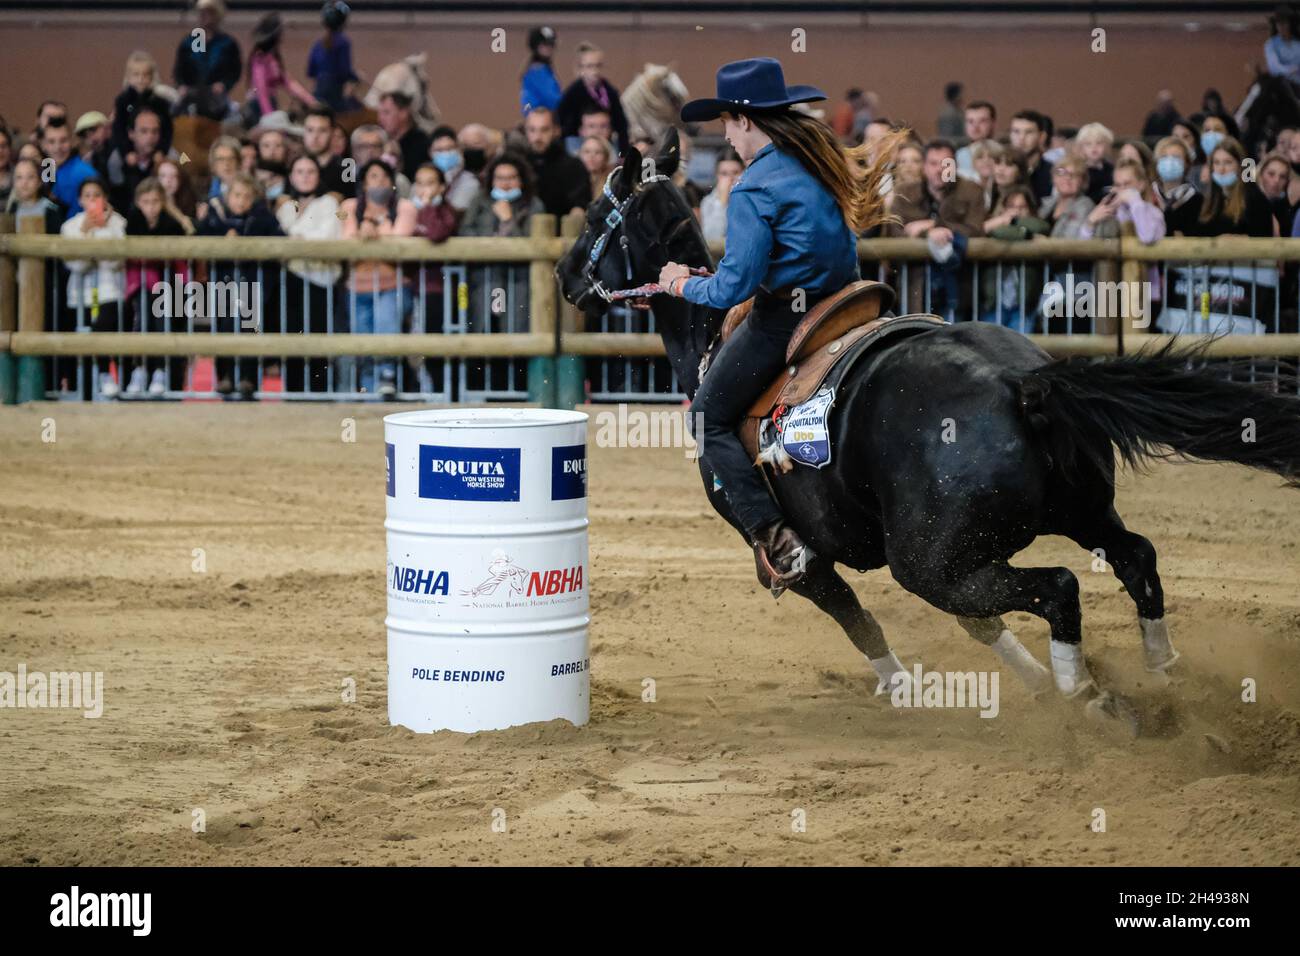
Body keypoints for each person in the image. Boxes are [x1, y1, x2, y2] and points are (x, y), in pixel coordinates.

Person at [657, 57, 903, 591]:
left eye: (726, 122)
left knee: (704, 419)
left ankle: (776, 535)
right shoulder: (819, 164)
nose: (726, 134)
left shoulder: (752, 187)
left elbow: (732, 289)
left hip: (786, 317)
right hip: (848, 301)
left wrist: (679, 284)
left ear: (745, 121)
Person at [197, 173, 284, 397]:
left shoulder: (263, 217)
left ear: (254, 198)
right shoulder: (215, 217)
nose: (241, 201)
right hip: (224, 283)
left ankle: (248, 379)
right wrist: (222, 242)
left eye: (247, 196)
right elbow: (199, 239)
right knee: (224, 329)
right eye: (237, 195)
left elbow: (279, 240)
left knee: (250, 330)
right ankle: (224, 376)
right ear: (228, 196)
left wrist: (248, 244)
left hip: (253, 285)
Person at [340, 159, 417, 397]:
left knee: (387, 327)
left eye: (384, 177)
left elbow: (400, 241)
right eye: (373, 176)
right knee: (362, 336)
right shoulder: (350, 206)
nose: (379, 182)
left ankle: (387, 377)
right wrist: (372, 233)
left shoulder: (405, 207)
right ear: (363, 183)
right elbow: (347, 241)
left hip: (392, 284)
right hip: (356, 286)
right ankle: (367, 386)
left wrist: (370, 231)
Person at [889, 138, 986, 314]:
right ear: (924, 167)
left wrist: (935, 225)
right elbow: (894, 232)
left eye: (946, 163)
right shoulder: (904, 193)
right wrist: (930, 233)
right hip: (916, 283)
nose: (940, 169)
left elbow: (976, 229)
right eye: (933, 163)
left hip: (960, 282)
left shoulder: (971, 191)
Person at [276, 155, 343, 393]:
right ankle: (292, 392)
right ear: (292, 176)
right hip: (291, 282)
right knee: (292, 338)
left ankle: (319, 392)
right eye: (299, 171)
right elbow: (276, 242)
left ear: (318, 175)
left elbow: (328, 238)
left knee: (318, 339)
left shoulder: (328, 203)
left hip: (320, 283)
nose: (305, 176)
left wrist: (296, 243)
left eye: (310, 171)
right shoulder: (286, 207)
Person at [459, 153, 545, 334]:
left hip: (519, 280)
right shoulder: (480, 201)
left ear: (522, 180)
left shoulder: (533, 205)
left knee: (514, 330)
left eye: (512, 178)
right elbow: (465, 231)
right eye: (500, 178)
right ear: (491, 180)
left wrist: (508, 220)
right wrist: (488, 243)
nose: (505, 183)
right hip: (484, 278)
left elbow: (532, 244)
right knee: (484, 329)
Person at [59, 178, 128, 399]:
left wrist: (102, 231)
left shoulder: (118, 223)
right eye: (87, 195)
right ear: (80, 200)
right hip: (80, 294)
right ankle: (85, 391)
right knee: (82, 340)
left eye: (97, 195)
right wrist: (86, 233)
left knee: (105, 329)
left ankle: (105, 374)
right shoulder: (69, 226)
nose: (92, 200)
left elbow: (114, 261)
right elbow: (75, 265)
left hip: (111, 290)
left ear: (105, 198)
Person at [124, 177, 190, 396]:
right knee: (142, 321)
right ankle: (139, 368)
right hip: (140, 283)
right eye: (146, 202)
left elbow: (176, 255)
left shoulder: (173, 224)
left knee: (162, 322)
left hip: (166, 284)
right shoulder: (131, 222)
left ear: (163, 202)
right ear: (137, 202)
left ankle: (161, 370)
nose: (151, 207)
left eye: (155, 201)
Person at [244, 12, 318, 127]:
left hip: (270, 102)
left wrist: (311, 102)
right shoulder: (259, 59)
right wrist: (269, 117)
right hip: (259, 106)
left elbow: (288, 82)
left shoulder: (273, 58)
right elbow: (261, 90)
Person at [172, 0, 242, 121]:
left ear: (216, 15)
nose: (204, 16)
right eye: (201, 13)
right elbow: (180, 68)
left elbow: (235, 71)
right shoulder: (190, 41)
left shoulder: (227, 43)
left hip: (216, 96)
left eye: (208, 12)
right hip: (192, 93)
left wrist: (224, 84)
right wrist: (181, 85)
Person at [557, 42, 629, 149]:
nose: (595, 71)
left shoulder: (610, 91)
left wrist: (623, 152)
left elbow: (621, 124)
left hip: (606, 143)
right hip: (576, 143)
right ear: (581, 69)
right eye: (589, 66)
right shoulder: (573, 93)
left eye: (598, 66)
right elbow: (560, 124)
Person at [522, 106, 590, 218]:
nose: (537, 137)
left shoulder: (573, 166)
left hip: (562, 232)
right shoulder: (519, 164)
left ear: (556, 131)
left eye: (544, 130)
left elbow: (580, 204)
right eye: (532, 130)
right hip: (521, 233)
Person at [103, 108, 166, 211]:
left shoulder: (168, 153)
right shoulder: (117, 159)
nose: (150, 137)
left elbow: (186, 160)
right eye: (144, 131)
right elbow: (117, 197)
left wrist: (164, 163)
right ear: (131, 133)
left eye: (155, 131)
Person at [112, 51, 174, 155]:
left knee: (178, 158)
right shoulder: (122, 101)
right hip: (130, 150)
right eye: (136, 75)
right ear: (129, 77)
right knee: (114, 161)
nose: (141, 79)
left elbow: (167, 130)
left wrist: (161, 151)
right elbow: (119, 129)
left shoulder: (160, 102)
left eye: (145, 75)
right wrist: (127, 152)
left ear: (151, 77)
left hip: (157, 149)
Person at [308, 1, 361, 113]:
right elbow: (344, 70)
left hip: (319, 92)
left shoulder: (318, 43)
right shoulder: (343, 42)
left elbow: (310, 71)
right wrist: (356, 77)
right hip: (335, 94)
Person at [41, 117, 98, 219]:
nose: (57, 147)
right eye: (51, 141)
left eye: (63, 141)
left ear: (72, 141)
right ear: (44, 144)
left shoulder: (85, 174)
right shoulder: (47, 167)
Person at [1039, 152, 1095, 239]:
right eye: (1061, 173)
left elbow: (1070, 240)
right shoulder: (1047, 203)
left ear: (1083, 181)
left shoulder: (1084, 205)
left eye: (1074, 175)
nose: (1067, 178)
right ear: (1054, 178)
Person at [378, 91, 431, 182]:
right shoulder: (382, 142)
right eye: (379, 113)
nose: (380, 119)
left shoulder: (421, 143)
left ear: (404, 113)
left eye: (386, 112)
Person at [428, 125, 481, 213]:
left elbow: (455, 214)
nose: (445, 154)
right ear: (430, 153)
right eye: (439, 150)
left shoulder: (470, 183)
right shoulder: (421, 180)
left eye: (450, 148)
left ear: (459, 150)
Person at [699, 149, 744, 242]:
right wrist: (722, 202)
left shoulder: (751, 198)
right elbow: (711, 237)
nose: (730, 178)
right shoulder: (708, 202)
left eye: (735, 172)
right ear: (717, 175)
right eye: (724, 174)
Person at [1009, 110, 1053, 203]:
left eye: (1029, 132)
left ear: (1042, 137)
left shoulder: (1051, 174)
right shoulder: (1000, 172)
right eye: (1016, 132)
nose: (1021, 138)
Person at [520, 25, 562, 115]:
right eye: (545, 45)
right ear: (536, 46)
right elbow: (553, 100)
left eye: (551, 44)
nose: (549, 48)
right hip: (540, 119)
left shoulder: (542, 69)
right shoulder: (537, 71)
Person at [1075, 122, 1115, 203]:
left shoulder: (1111, 169)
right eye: (1088, 144)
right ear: (1081, 148)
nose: (1094, 147)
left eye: (1099, 143)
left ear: (1106, 146)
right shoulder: (1079, 170)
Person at [955, 100, 996, 178]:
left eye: (982, 121)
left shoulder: (1001, 154)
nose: (975, 126)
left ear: (993, 123)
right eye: (970, 121)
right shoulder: (957, 156)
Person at [1258, 152, 1295, 236]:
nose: (1276, 180)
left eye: (1282, 177)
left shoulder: (1286, 212)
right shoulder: (1247, 203)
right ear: (1260, 175)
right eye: (1271, 174)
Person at [578, 135, 616, 204]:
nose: (592, 156)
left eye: (598, 152)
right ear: (580, 155)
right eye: (587, 152)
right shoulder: (571, 180)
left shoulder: (613, 183)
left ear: (606, 157)